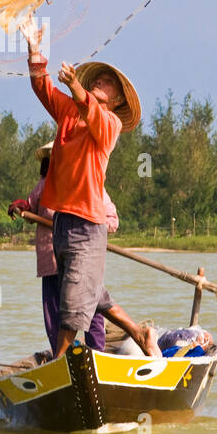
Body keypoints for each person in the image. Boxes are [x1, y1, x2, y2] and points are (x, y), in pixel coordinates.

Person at [21, 20, 158, 358]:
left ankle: (59, 362)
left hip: (88, 225)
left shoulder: (109, 124)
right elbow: (43, 88)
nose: (101, 82)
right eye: (99, 78)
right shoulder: (68, 112)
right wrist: (34, 50)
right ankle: (140, 333)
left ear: (116, 101)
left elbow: (91, 113)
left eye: (109, 83)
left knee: (72, 304)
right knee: (90, 293)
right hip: (62, 223)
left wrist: (79, 90)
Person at [8, 142, 118, 352]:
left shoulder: (89, 183)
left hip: (81, 257)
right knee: (54, 310)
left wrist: (94, 224)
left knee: (90, 306)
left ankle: (97, 352)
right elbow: (30, 207)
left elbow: (112, 220)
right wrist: (21, 207)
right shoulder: (44, 185)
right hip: (51, 258)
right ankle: (60, 357)